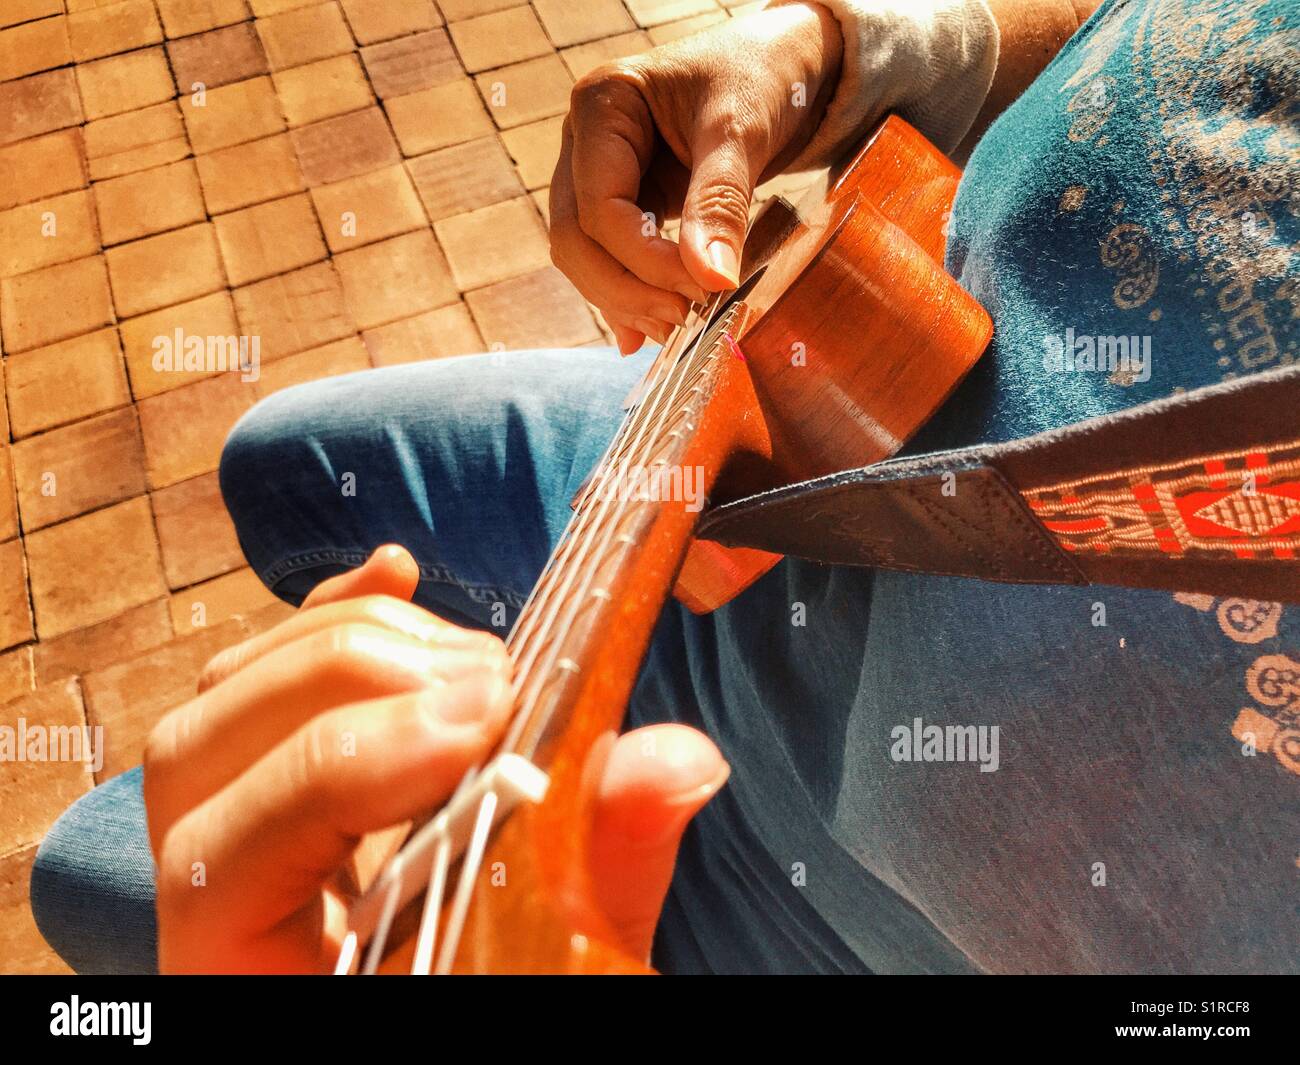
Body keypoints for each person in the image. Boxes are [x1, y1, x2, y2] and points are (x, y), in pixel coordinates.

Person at [31, 0, 1299, 973]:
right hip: (773, 441)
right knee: (282, 465)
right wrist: (824, 54)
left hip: (836, 898)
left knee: (92, 866)